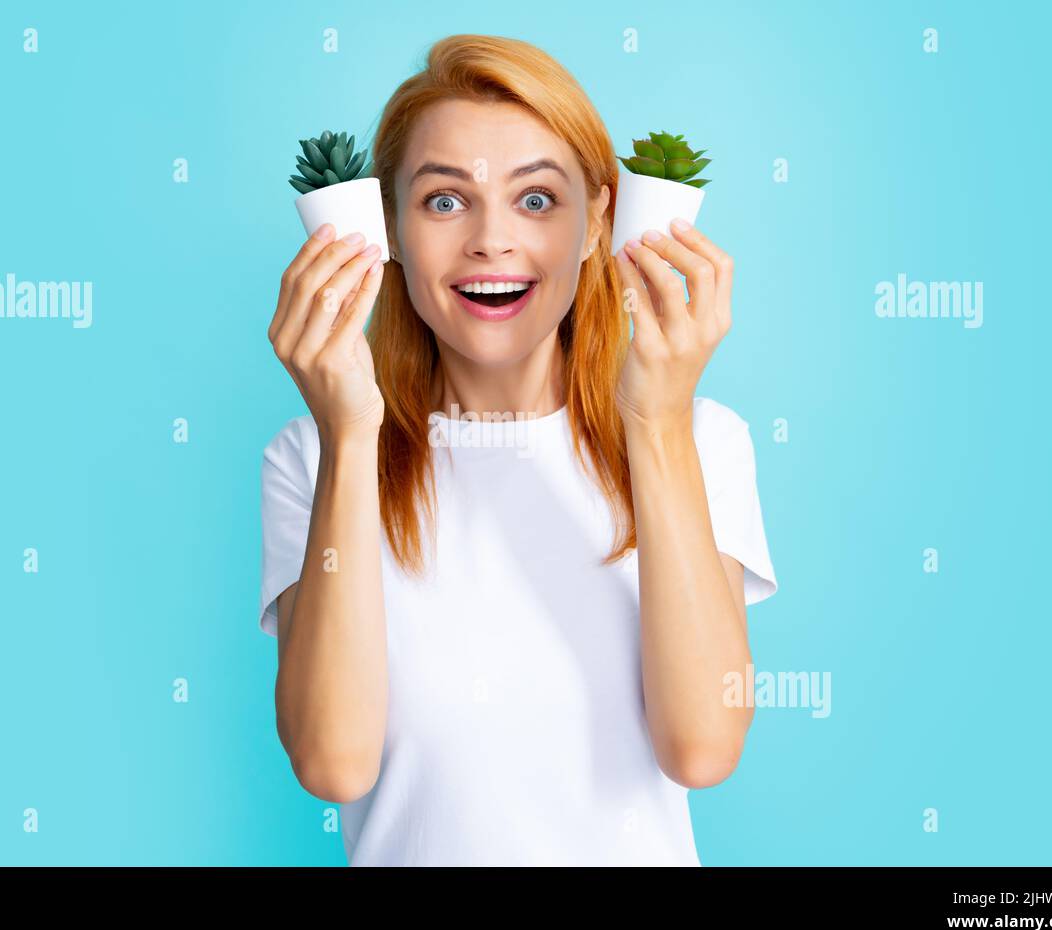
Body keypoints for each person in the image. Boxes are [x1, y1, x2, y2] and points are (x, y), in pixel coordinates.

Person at [259, 34, 777, 866]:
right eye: (444, 201)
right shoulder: (313, 457)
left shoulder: (703, 440)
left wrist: (655, 424)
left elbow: (705, 747)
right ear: (387, 226)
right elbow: (333, 764)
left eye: (536, 200)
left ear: (595, 224)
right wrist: (351, 434)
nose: (491, 242)